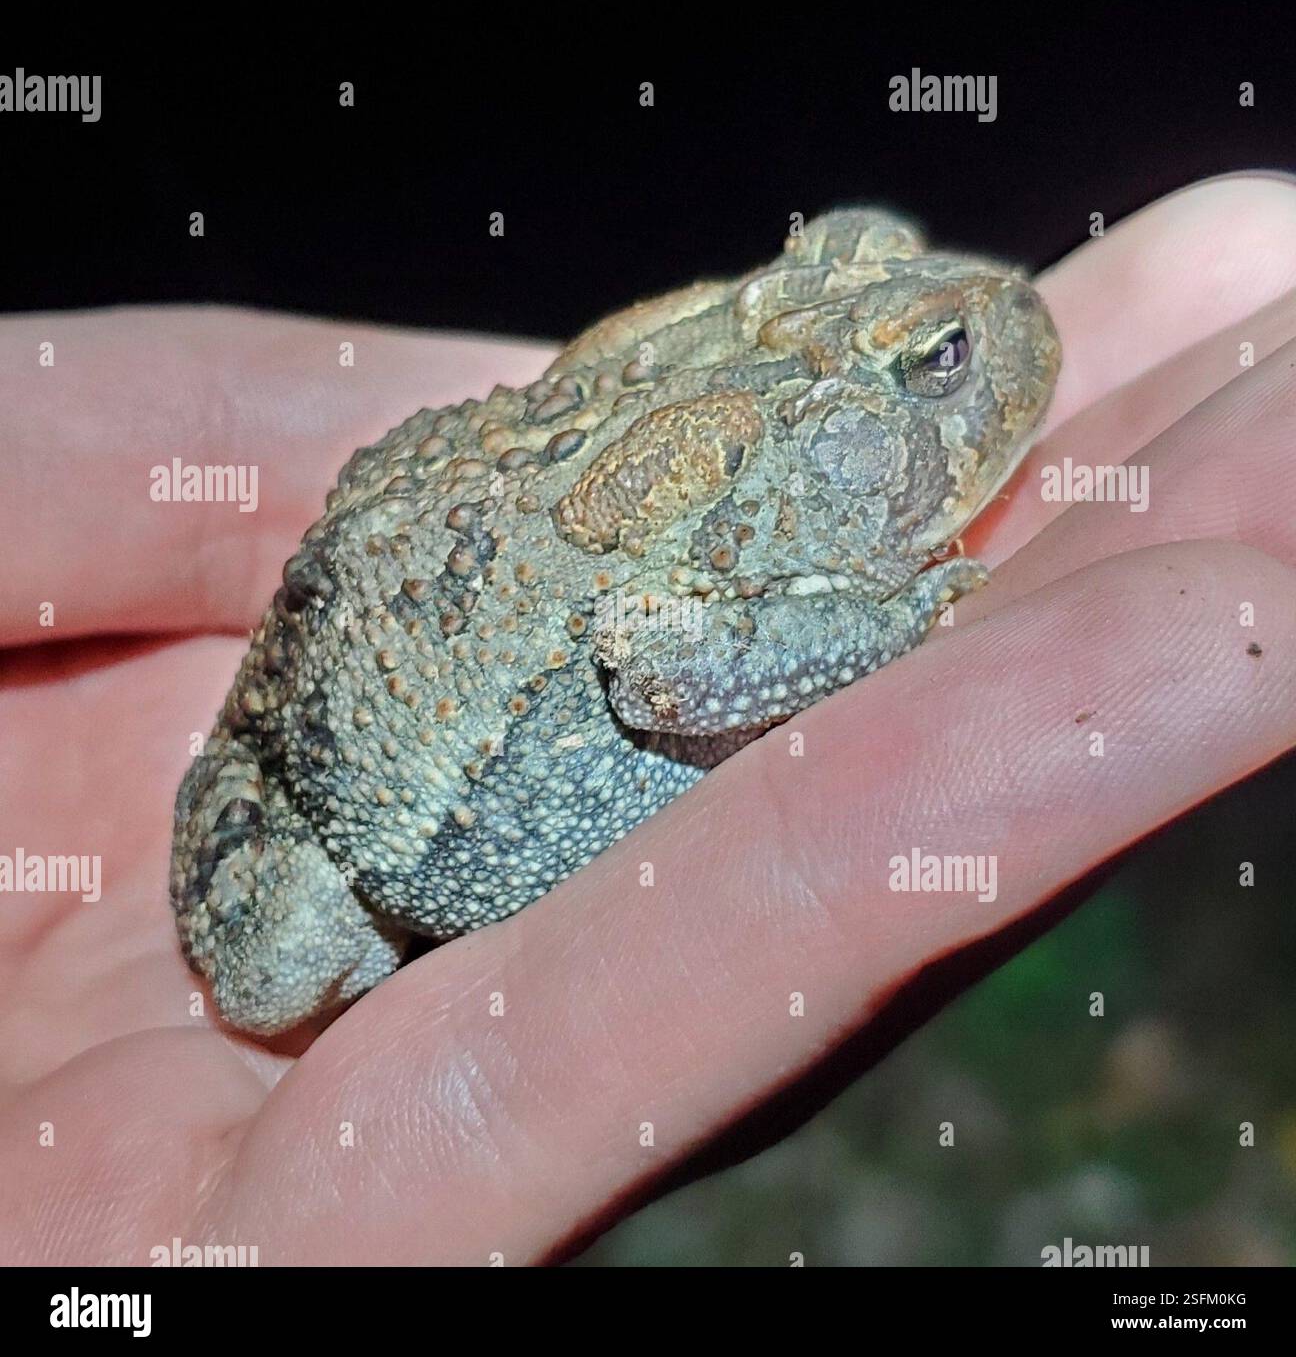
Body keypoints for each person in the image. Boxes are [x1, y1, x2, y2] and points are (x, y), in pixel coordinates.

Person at [2, 175, 1295, 1264]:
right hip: (379, 804)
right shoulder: (749, 471)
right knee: (281, 968)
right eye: (933, 370)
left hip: (429, 611)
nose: (989, 347)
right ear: (832, 429)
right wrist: (891, 623)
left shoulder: (735, 462)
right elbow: (661, 660)